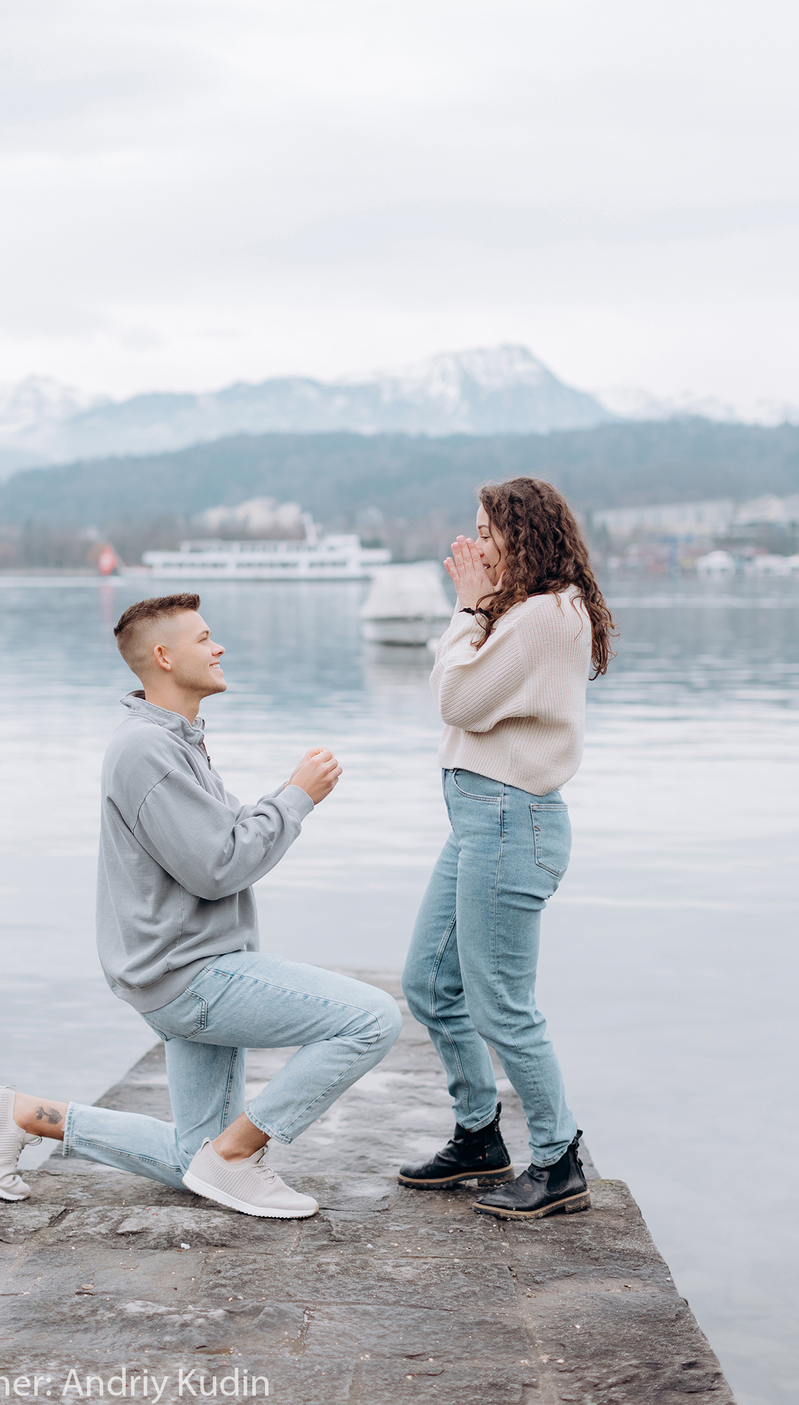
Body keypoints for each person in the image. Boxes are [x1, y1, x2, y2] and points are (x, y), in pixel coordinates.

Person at [0, 592, 402, 1219]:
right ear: (165, 657)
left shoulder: (175, 740)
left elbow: (216, 846)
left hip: (183, 967)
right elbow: (218, 866)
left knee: (188, 1158)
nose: (218, 646)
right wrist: (295, 797)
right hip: (192, 975)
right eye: (203, 639)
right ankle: (237, 1157)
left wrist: (283, 799)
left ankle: (23, 1115)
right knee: (371, 1018)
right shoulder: (145, 749)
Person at [398, 477, 616, 1220]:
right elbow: (465, 690)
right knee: (429, 982)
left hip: (508, 820)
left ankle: (557, 1161)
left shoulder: (548, 617)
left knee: (502, 1006)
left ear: (522, 535)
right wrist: (480, 603)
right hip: (480, 821)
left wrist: (463, 607)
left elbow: (456, 699)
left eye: (487, 530)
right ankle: (480, 1136)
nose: (478, 544)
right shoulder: (524, 611)